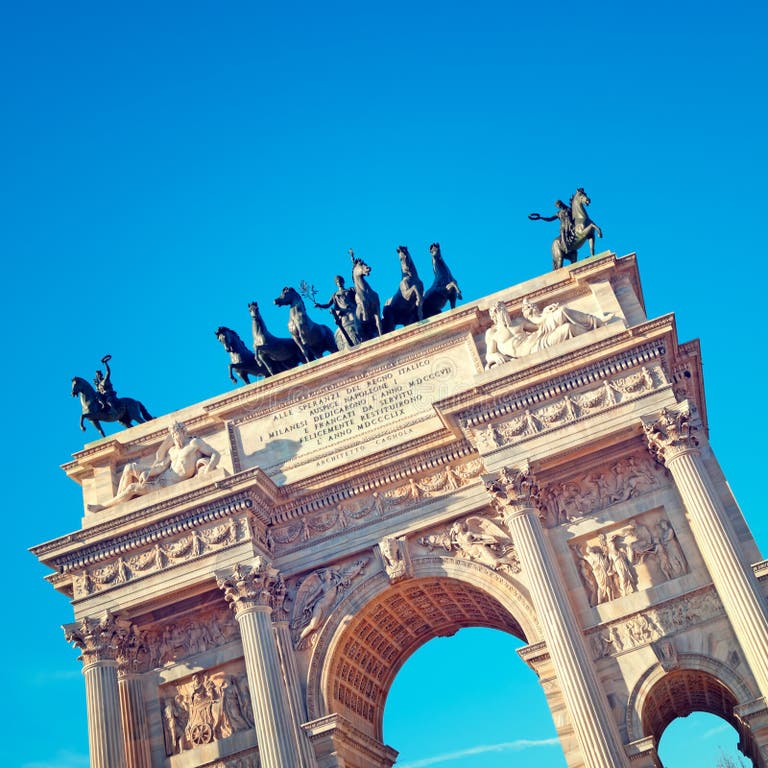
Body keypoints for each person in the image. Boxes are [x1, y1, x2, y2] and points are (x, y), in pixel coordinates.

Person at [92, 421, 220, 510]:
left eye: (177, 434)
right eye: (173, 435)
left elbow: (215, 454)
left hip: (165, 485)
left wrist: (208, 469)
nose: (175, 438)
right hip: (161, 479)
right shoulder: (172, 451)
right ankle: (115, 505)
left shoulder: (194, 443)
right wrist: (148, 473)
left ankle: (104, 507)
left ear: (183, 432)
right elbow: (162, 466)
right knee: (129, 467)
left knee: (132, 488)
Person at [315, 275, 360, 346]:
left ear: (343, 282)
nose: (339, 283)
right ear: (336, 284)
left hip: (352, 309)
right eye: (337, 282)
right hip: (343, 313)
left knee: (355, 323)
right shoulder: (335, 294)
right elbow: (328, 304)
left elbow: (359, 293)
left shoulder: (350, 290)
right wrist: (320, 305)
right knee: (345, 326)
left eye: (340, 281)